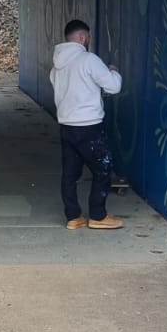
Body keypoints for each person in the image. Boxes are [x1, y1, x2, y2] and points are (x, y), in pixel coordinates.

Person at [49, 18, 123, 230]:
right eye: (88, 37)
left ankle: (73, 217)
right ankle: (98, 216)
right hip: (89, 127)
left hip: (66, 127)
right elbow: (113, 86)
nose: (89, 40)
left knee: (70, 174)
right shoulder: (88, 59)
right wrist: (113, 71)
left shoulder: (57, 67)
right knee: (103, 169)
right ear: (82, 37)